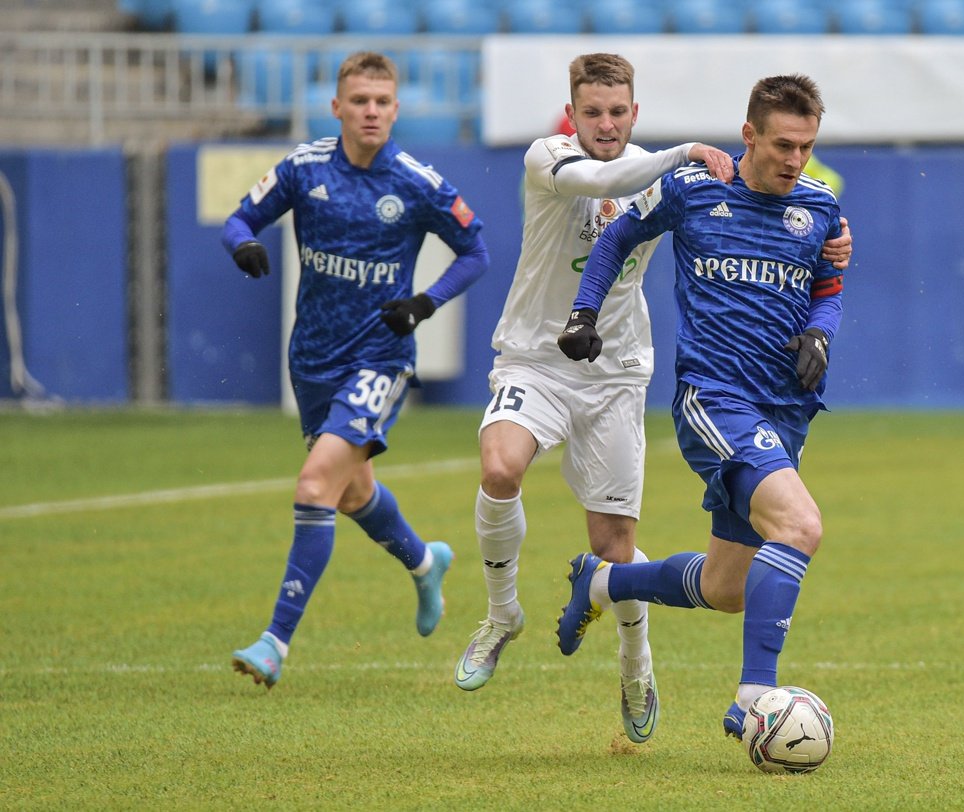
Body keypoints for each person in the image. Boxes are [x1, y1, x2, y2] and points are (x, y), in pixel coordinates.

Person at [453, 52, 738, 746]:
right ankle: (502, 615)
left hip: (615, 375)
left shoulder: (658, 177)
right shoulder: (548, 158)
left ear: (633, 113)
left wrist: (830, 243)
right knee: (499, 467)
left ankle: (636, 663)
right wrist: (686, 151)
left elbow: (731, 212)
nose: (605, 124)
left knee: (613, 545)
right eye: (592, 112)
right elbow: (603, 180)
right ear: (571, 114)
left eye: (616, 112)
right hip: (536, 359)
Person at [555, 73, 844, 742]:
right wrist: (584, 312)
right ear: (749, 135)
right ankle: (756, 700)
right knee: (799, 525)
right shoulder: (694, 189)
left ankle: (603, 584)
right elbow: (617, 237)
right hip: (715, 397)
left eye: (806, 146)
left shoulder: (821, 206)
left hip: (786, 410)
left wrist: (820, 334)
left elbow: (828, 288)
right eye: (783, 145)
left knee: (726, 589)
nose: (795, 159)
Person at [222, 51, 490, 689]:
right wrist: (245, 244)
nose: (371, 111)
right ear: (337, 107)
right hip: (312, 359)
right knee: (351, 492)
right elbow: (239, 218)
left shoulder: (417, 182)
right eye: (360, 101)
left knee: (316, 484)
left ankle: (273, 643)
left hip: (379, 359)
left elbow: (474, 250)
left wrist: (424, 303)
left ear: (396, 110)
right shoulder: (304, 167)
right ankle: (425, 563)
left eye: (383, 102)